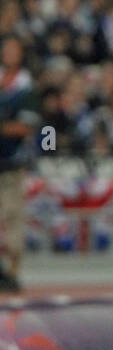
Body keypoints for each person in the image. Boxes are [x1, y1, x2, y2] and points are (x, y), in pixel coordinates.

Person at [0, 37, 38, 293]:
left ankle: (11, 273)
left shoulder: (26, 87)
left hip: (11, 166)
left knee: (12, 221)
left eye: (15, 49)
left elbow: (25, 127)